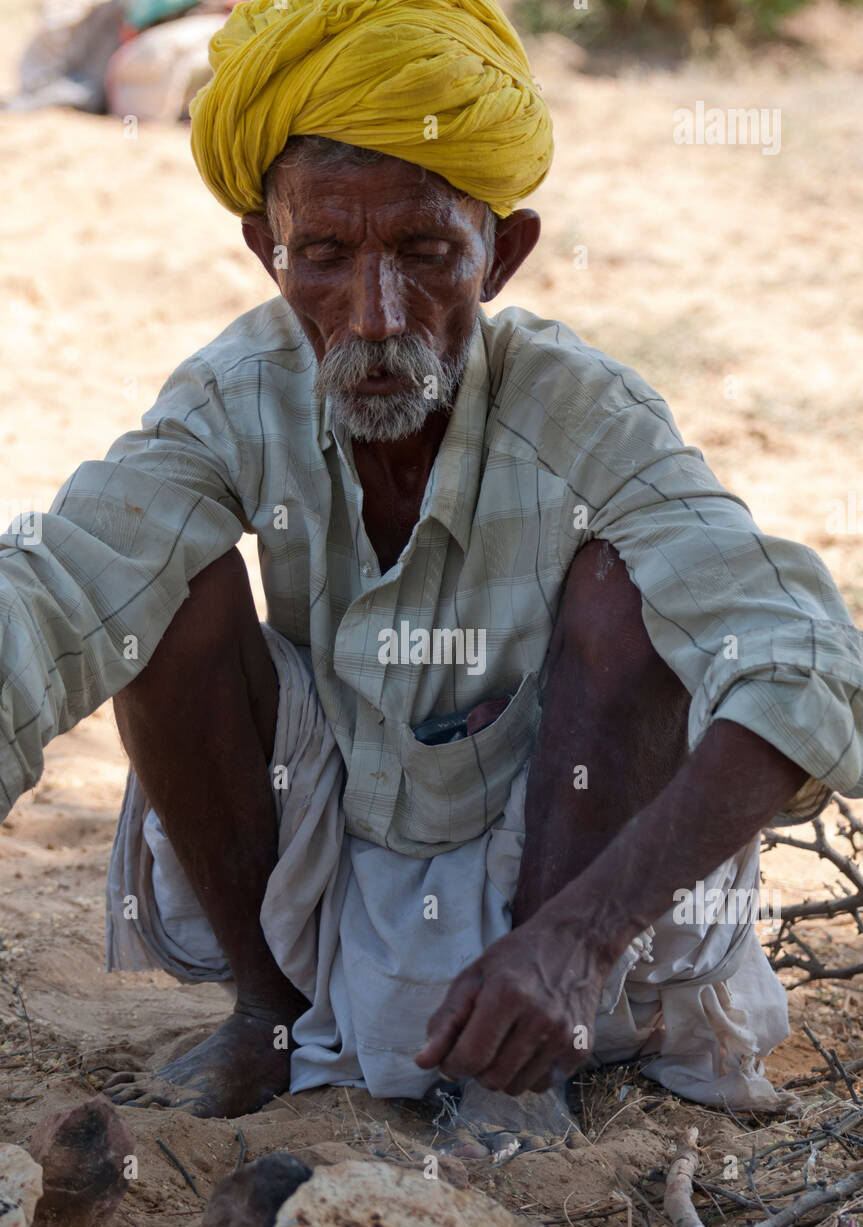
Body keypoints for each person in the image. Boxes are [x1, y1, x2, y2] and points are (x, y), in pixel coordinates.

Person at [2, 0, 861, 1142]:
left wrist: (578, 936)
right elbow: (60, 591)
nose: (373, 316)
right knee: (168, 593)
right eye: (322, 256)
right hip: (315, 858)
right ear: (267, 251)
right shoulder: (228, 395)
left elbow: (802, 658)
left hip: (560, 871)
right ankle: (268, 1015)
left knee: (627, 589)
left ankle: (524, 1063)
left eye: (422, 252)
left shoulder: (584, 412)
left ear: (501, 254)